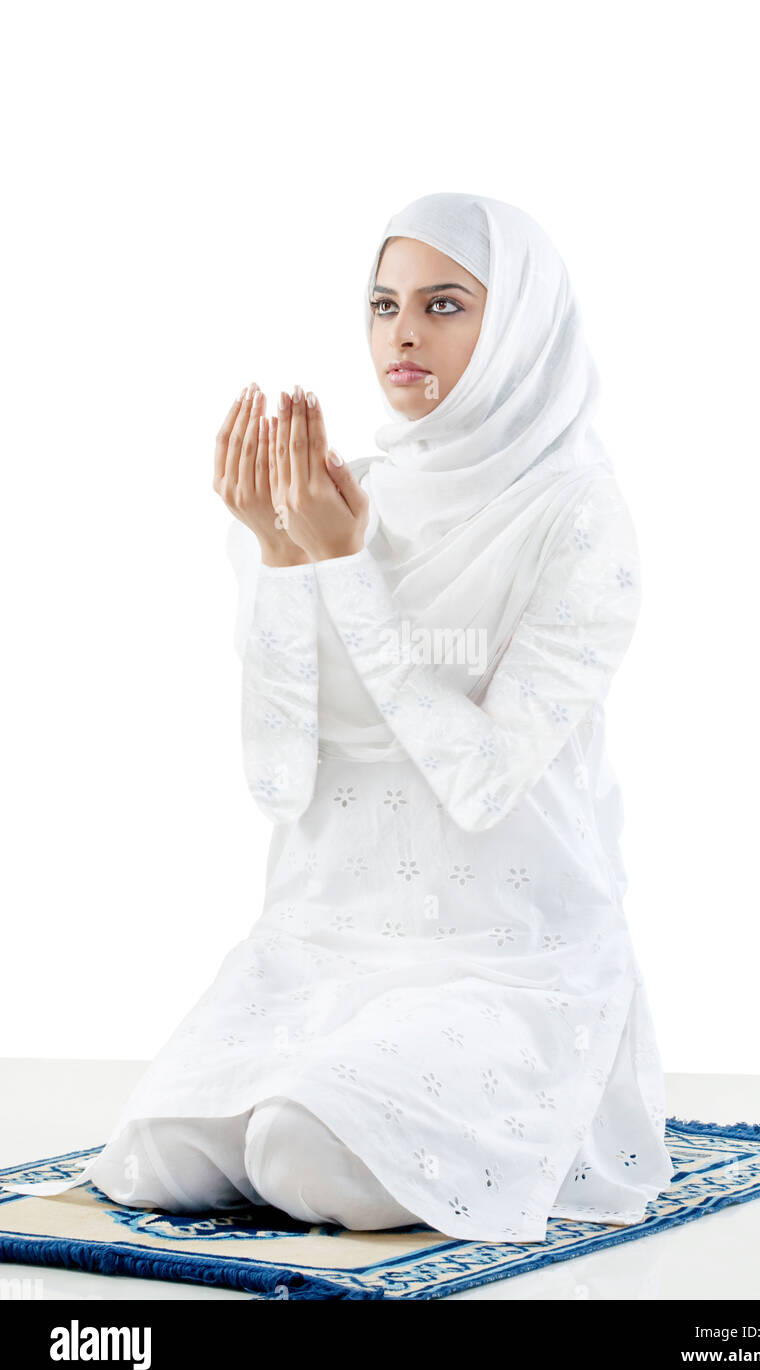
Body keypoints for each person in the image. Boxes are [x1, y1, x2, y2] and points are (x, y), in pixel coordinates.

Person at [3, 191, 674, 1244]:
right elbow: (278, 776)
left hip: (505, 955)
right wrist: (277, 558)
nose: (401, 333)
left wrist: (340, 567)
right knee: (153, 1158)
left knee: (297, 1149)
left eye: (444, 303)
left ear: (518, 329)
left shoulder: (575, 514)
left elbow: (483, 777)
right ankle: (324, 1086)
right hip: (327, 939)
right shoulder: (335, 495)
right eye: (382, 303)